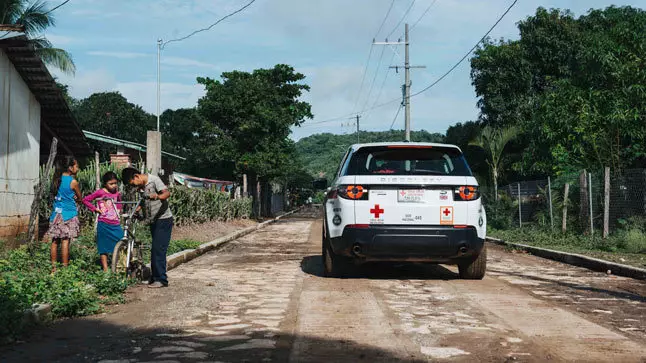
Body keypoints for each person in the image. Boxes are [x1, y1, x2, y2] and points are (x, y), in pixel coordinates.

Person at [121, 167, 173, 288]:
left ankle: (161, 280)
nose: (133, 186)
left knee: (158, 249)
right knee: (154, 249)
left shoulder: (154, 180)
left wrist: (157, 196)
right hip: (154, 220)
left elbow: (166, 193)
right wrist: (136, 211)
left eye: (133, 183)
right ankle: (154, 278)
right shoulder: (142, 188)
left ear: (136, 176)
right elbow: (144, 202)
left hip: (164, 220)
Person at [83, 172, 124, 272]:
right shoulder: (100, 192)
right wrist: (95, 209)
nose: (114, 186)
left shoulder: (117, 193)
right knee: (103, 247)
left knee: (122, 242)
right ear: (105, 183)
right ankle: (105, 269)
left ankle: (120, 266)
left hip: (115, 224)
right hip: (103, 224)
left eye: (115, 183)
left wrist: (119, 211)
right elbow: (86, 200)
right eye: (111, 183)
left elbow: (119, 203)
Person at [46, 156, 81, 273]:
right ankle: (65, 269)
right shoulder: (73, 182)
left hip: (56, 214)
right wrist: (77, 198)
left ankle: (53, 269)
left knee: (55, 241)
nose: (78, 168)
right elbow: (80, 198)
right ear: (70, 168)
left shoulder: (56, 179)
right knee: (65, 241)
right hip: (68, 215)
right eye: (76, 166)